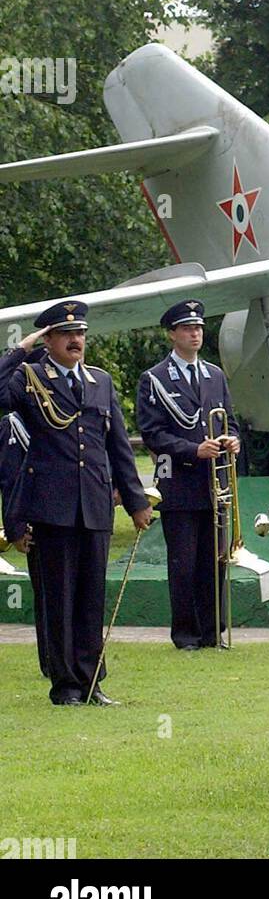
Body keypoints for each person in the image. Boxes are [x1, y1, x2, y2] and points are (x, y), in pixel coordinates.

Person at [0, 301, 152, 705]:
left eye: (81, 333)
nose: (76, 340)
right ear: (48, 340)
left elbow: (117, 445)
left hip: (95, 505)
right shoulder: (29, 378)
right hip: (51, 506)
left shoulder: (100, 381)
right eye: (66, 334)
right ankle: (65, 685)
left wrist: (136, 500)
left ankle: (90, 683)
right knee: (60, 599)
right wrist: (19, 350)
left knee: (90, 598)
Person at [136, 300, 240, 650]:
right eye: (187, 328)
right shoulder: (155, 378)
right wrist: (192, 450)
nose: (195, 333)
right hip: (180, 484)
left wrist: (232, 440)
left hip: (215, 485)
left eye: (198, 328)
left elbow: (230, 419)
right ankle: (186, 635)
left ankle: (213, 632)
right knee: (183, 564)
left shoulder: (214, 375)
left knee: (215, 563)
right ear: (172, 334)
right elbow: (153, 433)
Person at [0, 394, 49, 678]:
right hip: (37, 520)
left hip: (79, 517)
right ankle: (53, 661)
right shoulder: (14, 425)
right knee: (49, 596)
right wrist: (16, 527)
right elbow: (10, 479)